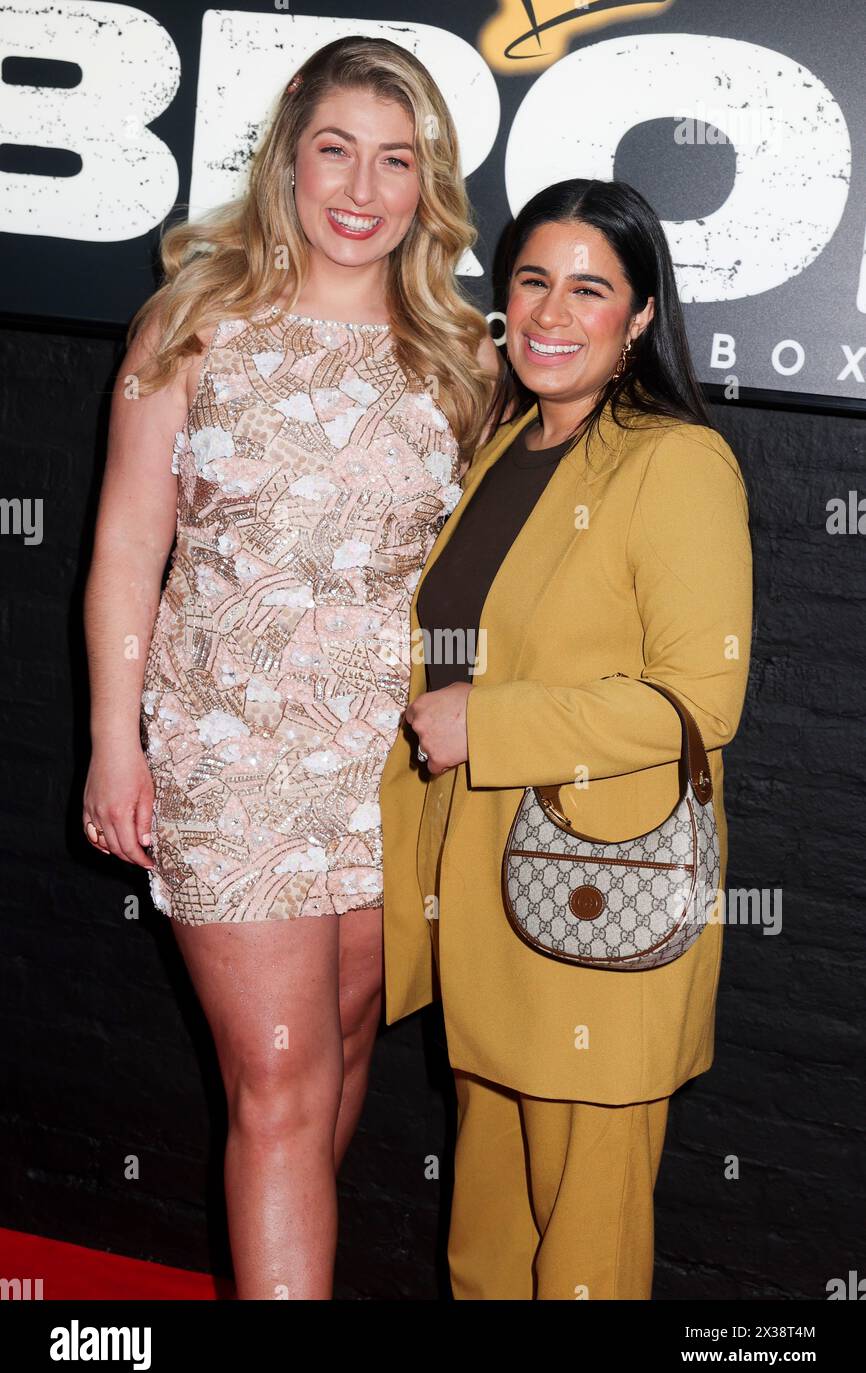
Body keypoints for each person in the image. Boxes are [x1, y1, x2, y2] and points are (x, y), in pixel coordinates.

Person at [82, 35, 500, 1299]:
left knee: (339, 1044)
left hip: (389, 766)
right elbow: (123, 544)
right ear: (287, 161)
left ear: (427, 183)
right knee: (276, 1078)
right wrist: (117, 738)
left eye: (396, 159)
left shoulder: (462, 355)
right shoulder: (195, 324)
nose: (363, 188)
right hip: (229, 748)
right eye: (336, 151)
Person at [380, 178, 753, 1299]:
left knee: (581, 1254)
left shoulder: (671, 462)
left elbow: (698, 701)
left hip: (594, 904)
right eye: (532, 280)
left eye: (588, 288)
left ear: (638, 317)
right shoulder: (504, 448)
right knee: (488, 1240)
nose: (549, 311)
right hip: (484, 900)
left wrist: (483, 725)